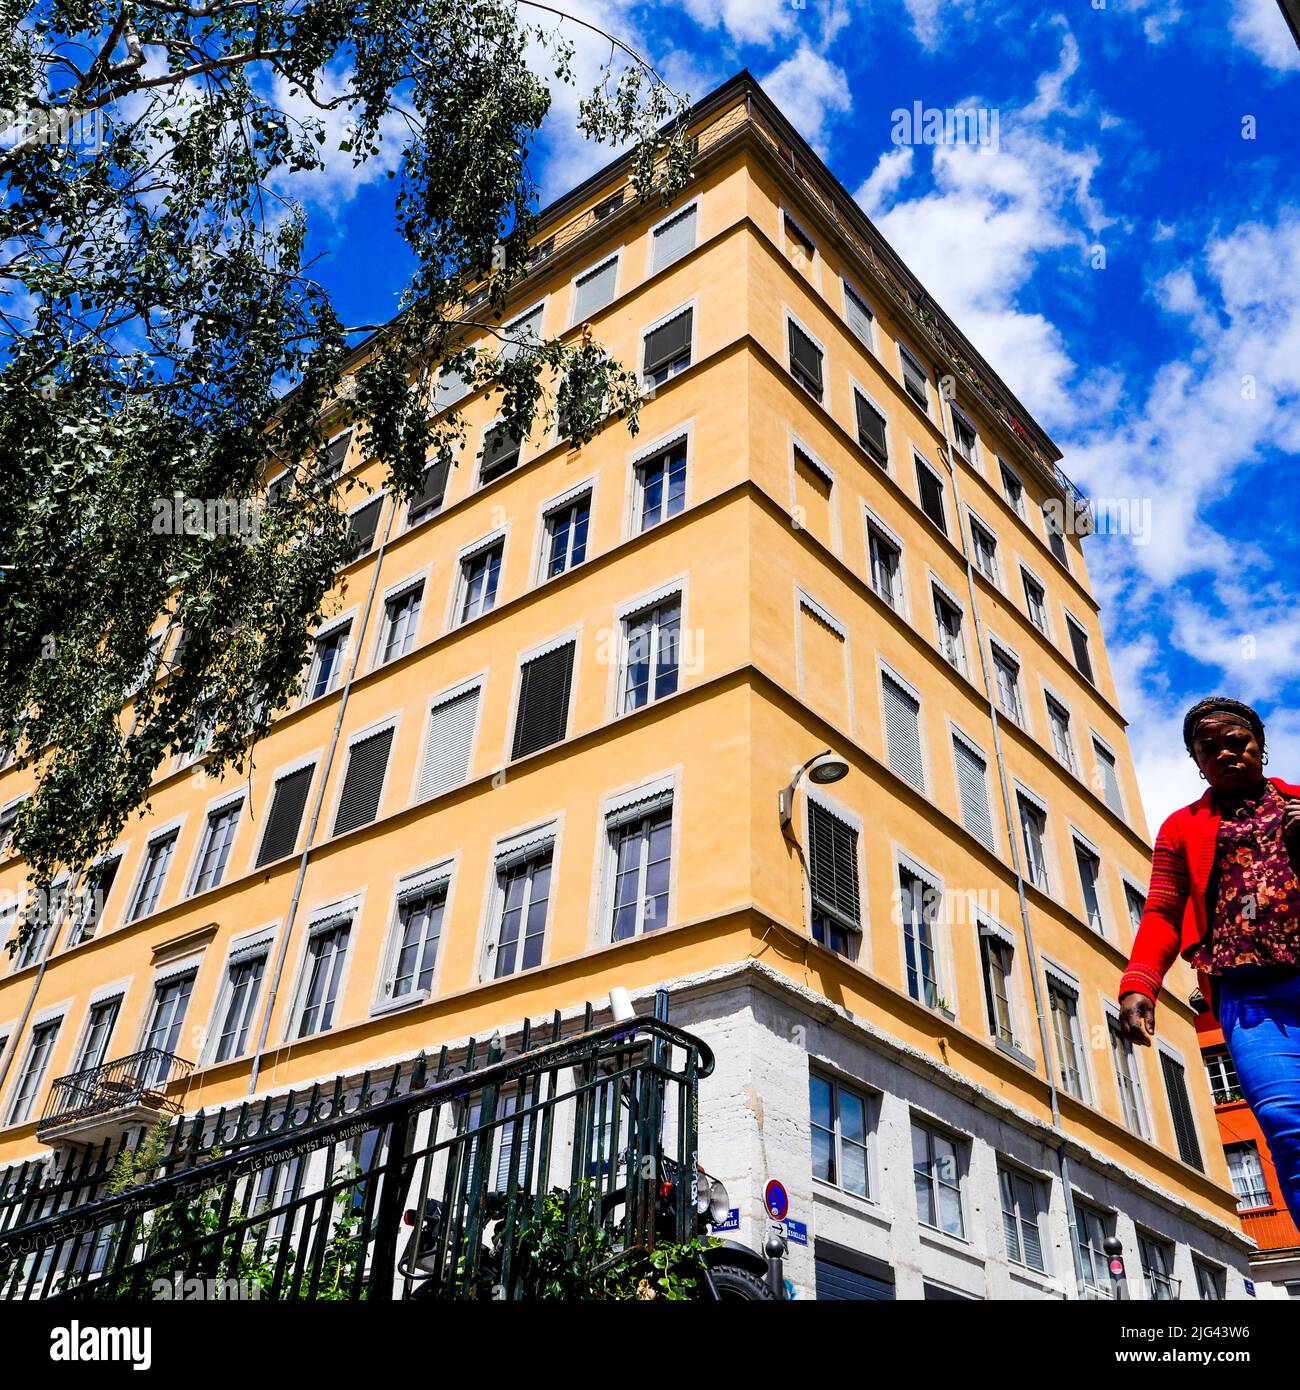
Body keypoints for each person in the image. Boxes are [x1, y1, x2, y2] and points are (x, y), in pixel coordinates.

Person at [1119, 697, 1300, 1224]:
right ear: (1197, 761)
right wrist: (1140, 982)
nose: (1226, 753)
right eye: (1209, 748)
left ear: (1261, 746)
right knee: (1286, 1125)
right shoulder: (1182, 829)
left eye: (1237, 742)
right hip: (1252, 1000)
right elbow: (1163, 912)